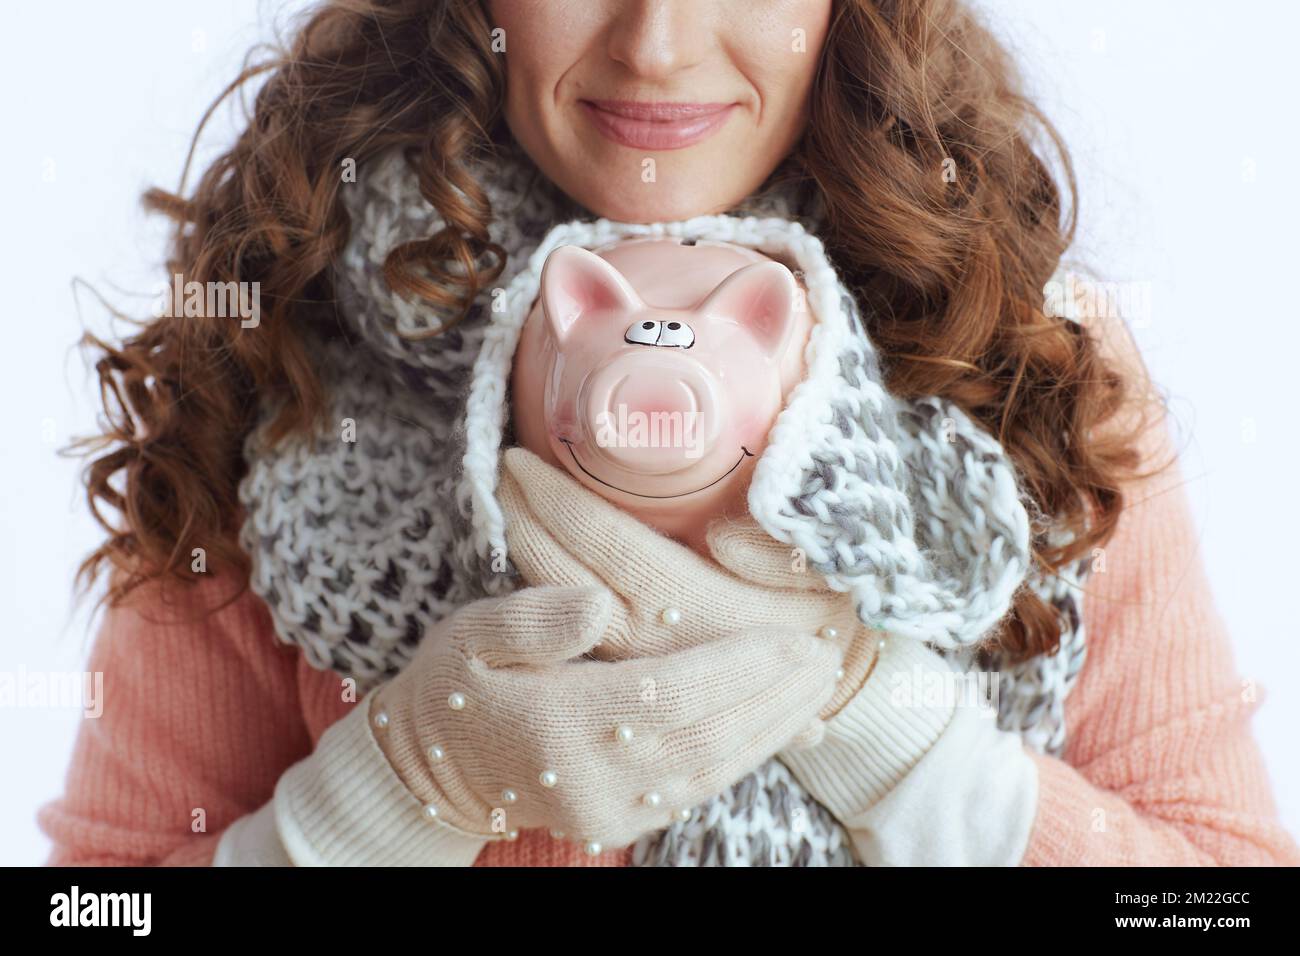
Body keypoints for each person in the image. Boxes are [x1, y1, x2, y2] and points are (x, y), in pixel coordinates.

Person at [41, 0, 1300, 866]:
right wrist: (396, 792)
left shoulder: (1025, 360)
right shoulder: (281, 358)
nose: (655, 44)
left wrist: (895, 740)